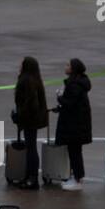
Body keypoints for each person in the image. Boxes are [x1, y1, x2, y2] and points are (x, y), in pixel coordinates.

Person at [53, 58, 92, 189]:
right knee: (75, 151)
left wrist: (59, 97)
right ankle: (76, 177)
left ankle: (78, 179)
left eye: (68, 65)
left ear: (73, 69)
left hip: (75, 125)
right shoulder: (79, 83)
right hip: (78, 124)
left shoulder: (74, 85)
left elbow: (70, 103)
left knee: (74, 151)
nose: (66, 66)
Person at [13, 57, 48, 189]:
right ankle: (30, 177)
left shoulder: (27, 81)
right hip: (33, 119)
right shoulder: (34, 79)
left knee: (31, 148)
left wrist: (20, 115)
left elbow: (30, 103)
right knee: (30, 147)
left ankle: (32, 178)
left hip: (30, 119)